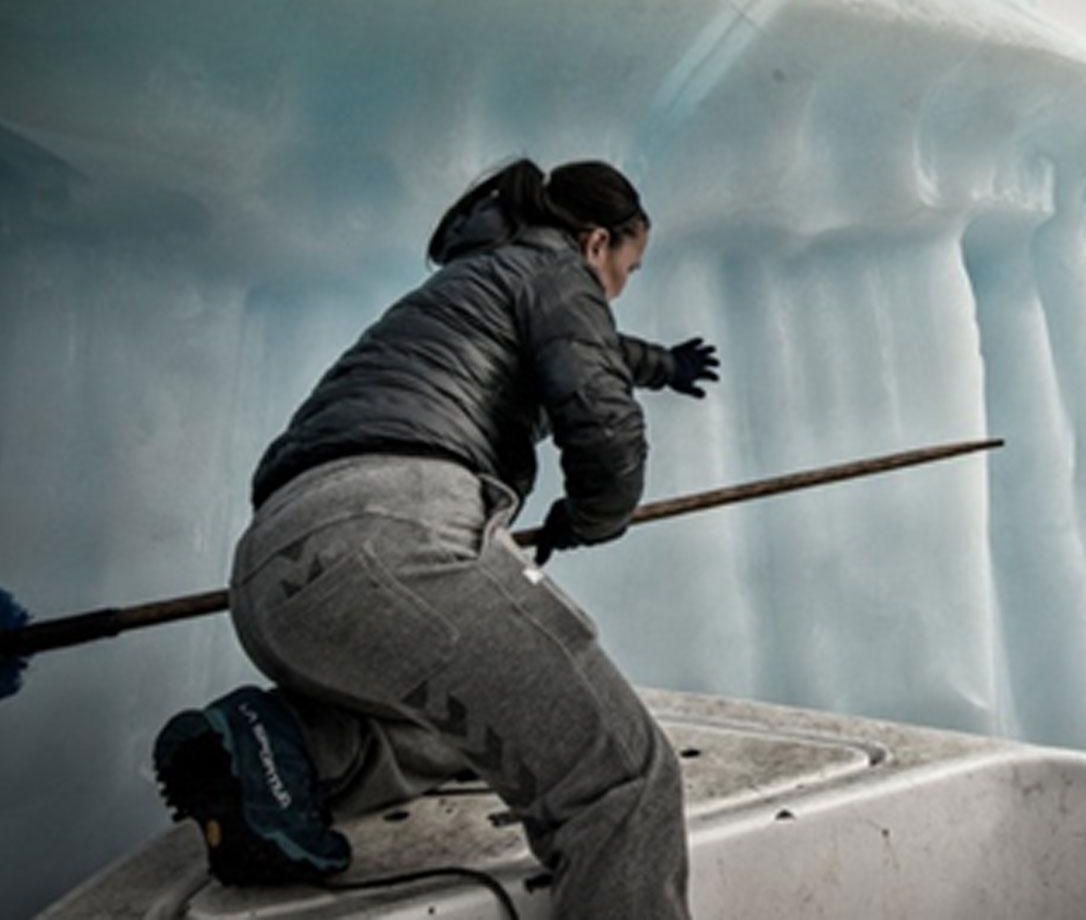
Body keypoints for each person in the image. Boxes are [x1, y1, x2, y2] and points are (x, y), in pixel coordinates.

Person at [152, 158, 716, 919]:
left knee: (473, 730)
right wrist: (588, 521)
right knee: (620, 781)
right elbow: (603, 423)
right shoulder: (557, 274)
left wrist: (665, 365)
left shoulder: (472, 286)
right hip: (390, 533)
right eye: (627, 268)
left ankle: (287, 744)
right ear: (594, 243)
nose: (618, 289)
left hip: (275, 571)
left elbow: (595, 347)